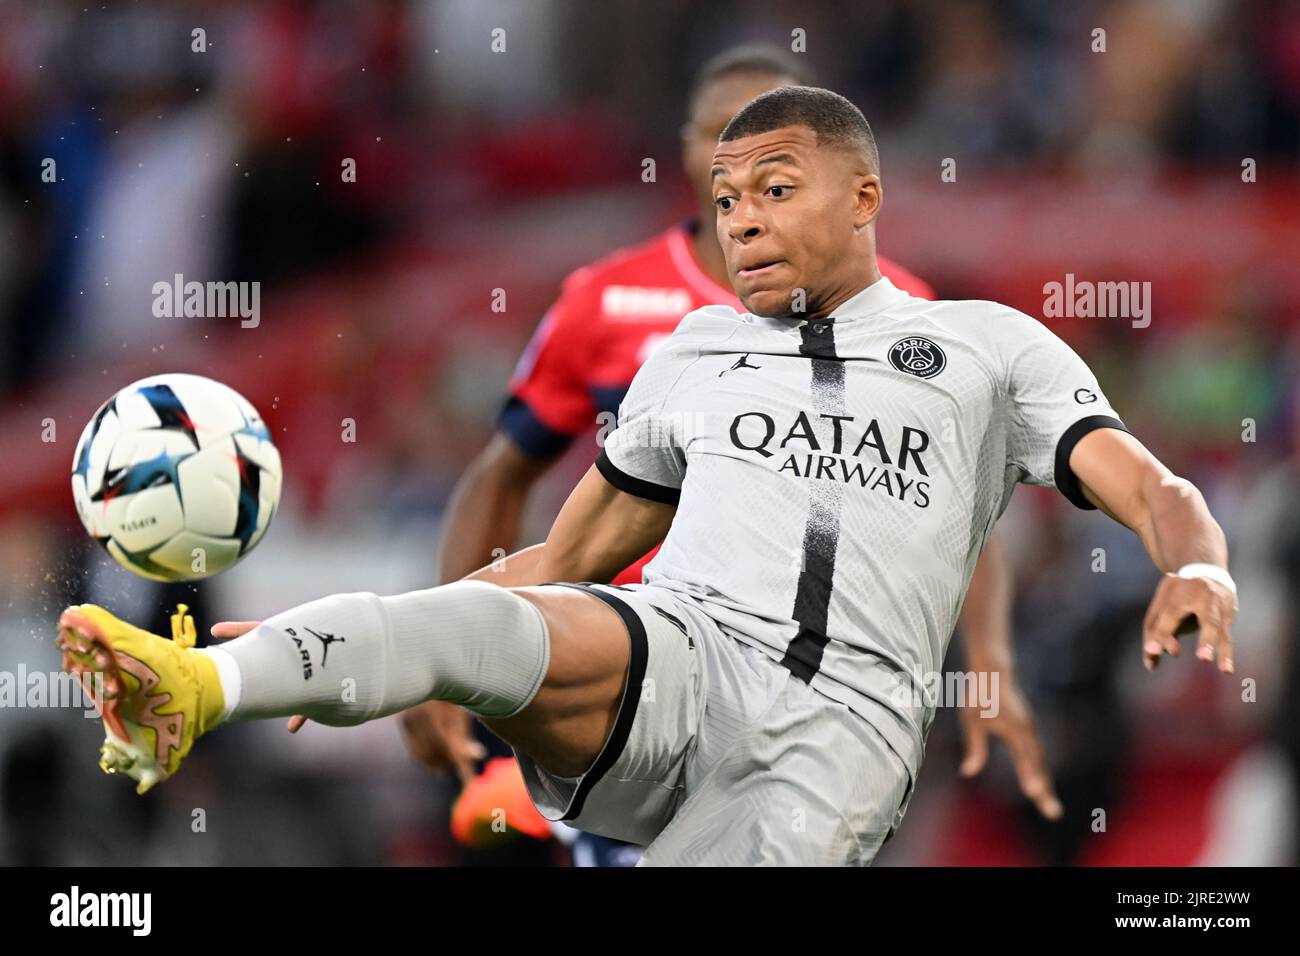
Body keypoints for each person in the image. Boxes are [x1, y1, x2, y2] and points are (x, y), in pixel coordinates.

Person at [56, 86, 1237, 865]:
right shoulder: (694, 351)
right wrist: (404, 647)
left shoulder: (988, 348)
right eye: (725, 203)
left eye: (776, 190)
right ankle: (194, 687)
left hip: (838, 733)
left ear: (864, 198)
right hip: (679, 652)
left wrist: (1195, 561)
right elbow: (561, 562)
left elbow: (1145, 480)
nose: (744, 224)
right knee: (474, 618)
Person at [404, 46, 1057, 861]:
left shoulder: (905, 314)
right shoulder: (606, 299)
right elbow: (501, 475)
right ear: (691, 149)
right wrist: (446, 651)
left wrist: (988, 666)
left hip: (823, 687)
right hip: (642, 667)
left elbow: (959, 513)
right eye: (722, 136)